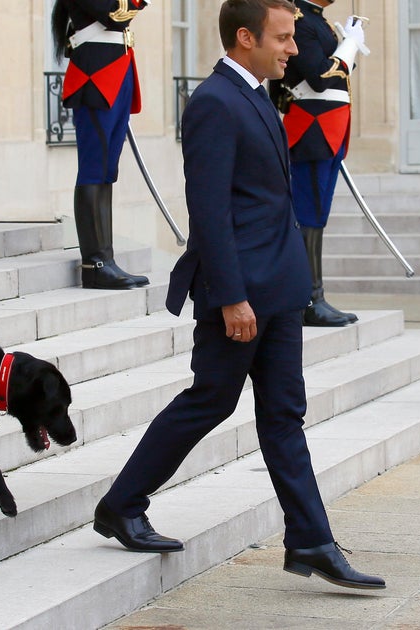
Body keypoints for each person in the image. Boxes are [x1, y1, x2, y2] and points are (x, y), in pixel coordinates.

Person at [92, 0, 385, 590]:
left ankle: (311, 542)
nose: (294, 48)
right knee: (210, 401)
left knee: (283, 417)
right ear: (245, 37)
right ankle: (121, 504)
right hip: (240, 296)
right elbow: (209, 211)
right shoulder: (214, 103)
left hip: (277, 291)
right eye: (282, 38)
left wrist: (290, 287)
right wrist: (229, 297)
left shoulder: (256, 93)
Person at [269, 0, 365, 327]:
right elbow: (320, 77)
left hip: (328, 125)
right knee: (309, 215)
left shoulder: (315, 20)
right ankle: (309, 298)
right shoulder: (301, 21)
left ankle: (313, 295)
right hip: (314, 126)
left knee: (316, 216)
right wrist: (349, 47)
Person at [51, 0, 150, 290]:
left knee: (107, 170)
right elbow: (116, 14)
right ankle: (94, 264)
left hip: (116, 68)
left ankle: (106, 259)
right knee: (95, 169)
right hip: (96, 75)